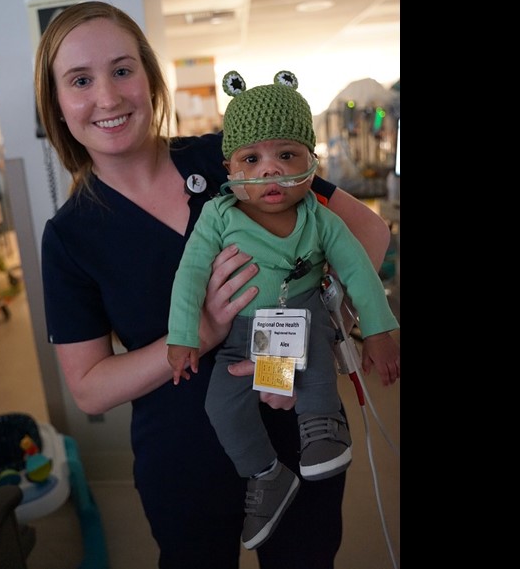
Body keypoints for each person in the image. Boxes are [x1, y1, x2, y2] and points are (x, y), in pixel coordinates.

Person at [36, 0, 399, 569]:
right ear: (56, 103)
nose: (107, 96)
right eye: (80, 80)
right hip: (183, 462)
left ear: (151, 81)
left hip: (296, 427)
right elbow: (89, 387)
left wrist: (305, 342)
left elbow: (368, 234)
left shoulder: (233, 155)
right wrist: (201, 332)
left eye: (123, 70)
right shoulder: (70, 236)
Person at [166, 69, 400, 550]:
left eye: (287, 155)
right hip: (235, 336)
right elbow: (189, 275)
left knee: (311, 354)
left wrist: (377, 330)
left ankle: (324, 429)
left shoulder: (319, 216)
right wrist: (182, 334)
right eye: (252, 159)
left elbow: (357, 269)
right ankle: (266, 474)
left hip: (300, 317)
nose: (271, 170)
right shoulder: (218, 214)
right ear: (230, 170)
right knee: (220, 404)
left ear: (312, 162)